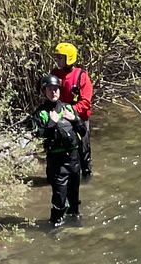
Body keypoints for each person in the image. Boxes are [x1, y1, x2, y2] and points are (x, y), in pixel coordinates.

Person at [28, 75, 83, 227]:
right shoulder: (40, 113)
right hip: (57, 161)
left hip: (73, 159)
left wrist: (75, 120)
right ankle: (55, 225)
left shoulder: (68, 108)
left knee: (74, 199)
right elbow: (39, 136)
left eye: (56, 89)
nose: (54, 92)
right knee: (59, 199)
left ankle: (75, 224)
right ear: (44, 91)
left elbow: (83, 132)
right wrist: (51, 123)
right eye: (50, 89)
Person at [50, 42, 93, 179]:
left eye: (60, 58)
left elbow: (85, 102)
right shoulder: (54, 74)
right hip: (60, 118)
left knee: (83, 150)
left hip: (78, 118)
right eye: (57, 58)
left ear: (69, 58)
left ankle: (86, 174)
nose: (57, 60)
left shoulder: (81, 76)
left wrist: (70, 111)